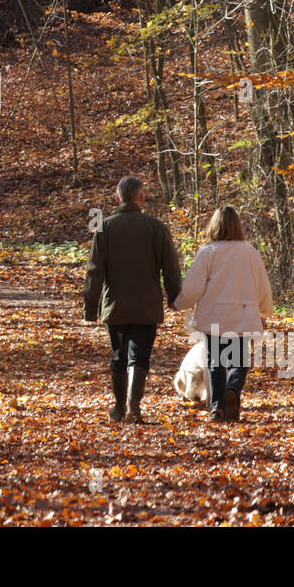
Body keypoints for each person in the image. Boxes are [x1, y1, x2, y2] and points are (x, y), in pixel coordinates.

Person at [83, 176, 182, 424]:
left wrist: (90, 308)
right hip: (146, 305)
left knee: (119, 353)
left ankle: (118, 407)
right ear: (141, 197)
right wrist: (174, 296)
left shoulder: (104, 228)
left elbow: (94, 271)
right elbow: (170, 267)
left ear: (117, 198)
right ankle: (133, 407)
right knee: (140, 355)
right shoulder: (156, 227)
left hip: (114, 304)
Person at [173, 206, 274, 422]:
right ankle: (233, 390)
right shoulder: (250, 252)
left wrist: (180, 303)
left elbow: (194, 287)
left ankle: (217, 406)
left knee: (215, 360)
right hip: (243, 313)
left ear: (214, 225)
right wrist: (264, 310)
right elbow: (262, 285)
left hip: (215, 315)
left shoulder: (207, 252)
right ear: (238, 226)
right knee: (239, 359)